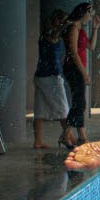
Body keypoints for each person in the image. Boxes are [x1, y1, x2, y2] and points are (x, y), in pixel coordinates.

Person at [62, 2, 100, 148]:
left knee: (79, 103)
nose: (90, 18)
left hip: (77, 69)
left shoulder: (81, 30)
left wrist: (95, 29)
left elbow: (91, 46)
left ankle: (70, 136)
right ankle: (70, 136)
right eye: (90, 15)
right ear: (83, 13)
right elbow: (73, 52)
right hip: (73, 69)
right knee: (79, 103)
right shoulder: (73, 28)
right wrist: (84, 73)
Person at [32, 9, 71, 150]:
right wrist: (59, 73)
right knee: (64, 110)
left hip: (40, 76)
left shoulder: (44, 36)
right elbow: (55, 60)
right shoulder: (55, 38)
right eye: (64, 21)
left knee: (40, 110)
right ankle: (67, 138)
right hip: (52, 78)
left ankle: (38, 141)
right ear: (57, 21)